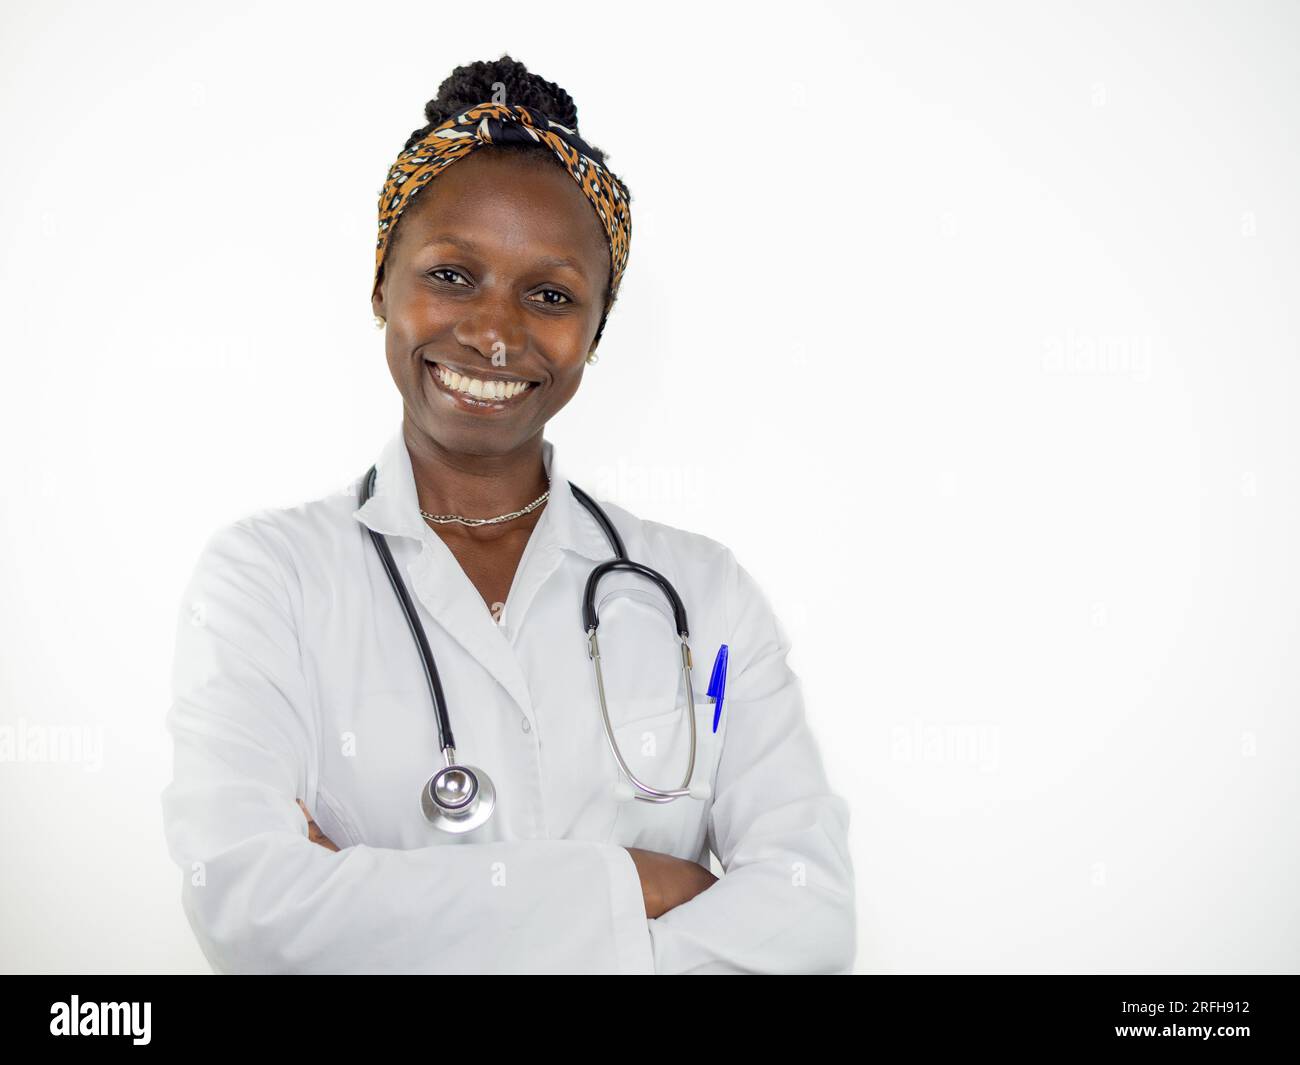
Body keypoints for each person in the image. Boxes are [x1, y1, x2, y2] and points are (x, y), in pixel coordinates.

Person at [160, 55, 856, 974]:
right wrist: (635, 886)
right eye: (452, 275)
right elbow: (249, 907)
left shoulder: (704, 594)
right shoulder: (269, 578)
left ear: (596, 332)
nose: (495, 333)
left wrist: (373, 902)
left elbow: (810, 924)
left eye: (552, 294)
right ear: (381, 287)